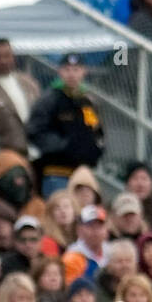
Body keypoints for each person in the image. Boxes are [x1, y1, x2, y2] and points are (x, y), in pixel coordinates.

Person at [26, 54, 104, 197]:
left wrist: (96, 150)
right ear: (59, 72)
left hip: (83, 173)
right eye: (67, 69)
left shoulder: (87, 101)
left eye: (76, 69)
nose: (71, 74)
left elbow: (96, 130)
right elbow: (35, 130)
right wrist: (64, 146)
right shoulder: (49, 100)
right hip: (57, 172)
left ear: (83, 71)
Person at [0, 38, 41, 158]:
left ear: (13, 57)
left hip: (35, 149)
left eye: (7, 56)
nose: (3, 61)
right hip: (6, 155)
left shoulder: (28, 82)